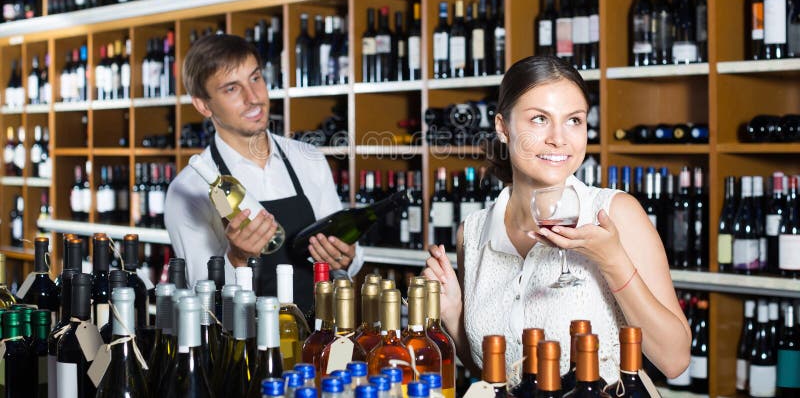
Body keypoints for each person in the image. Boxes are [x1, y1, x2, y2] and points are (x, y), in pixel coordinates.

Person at [422, 56, 690, 384]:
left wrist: (613, 261)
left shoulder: (616, 213)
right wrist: (453, 314)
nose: (559, 138)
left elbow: (675, 360)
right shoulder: (474, 233)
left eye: (574, 120)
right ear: (503, 128)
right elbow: (496, 376)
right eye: (539, 119)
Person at [165, 33, 362, 311]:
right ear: (203, 105)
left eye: (255, 78)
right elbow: (204, 298)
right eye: (232, 89)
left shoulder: (308, 159)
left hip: (319, 339)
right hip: (245, 347)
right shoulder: (188, 190)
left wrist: (345, 259)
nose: (253, 98)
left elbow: (348, 262)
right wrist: (237, 258)